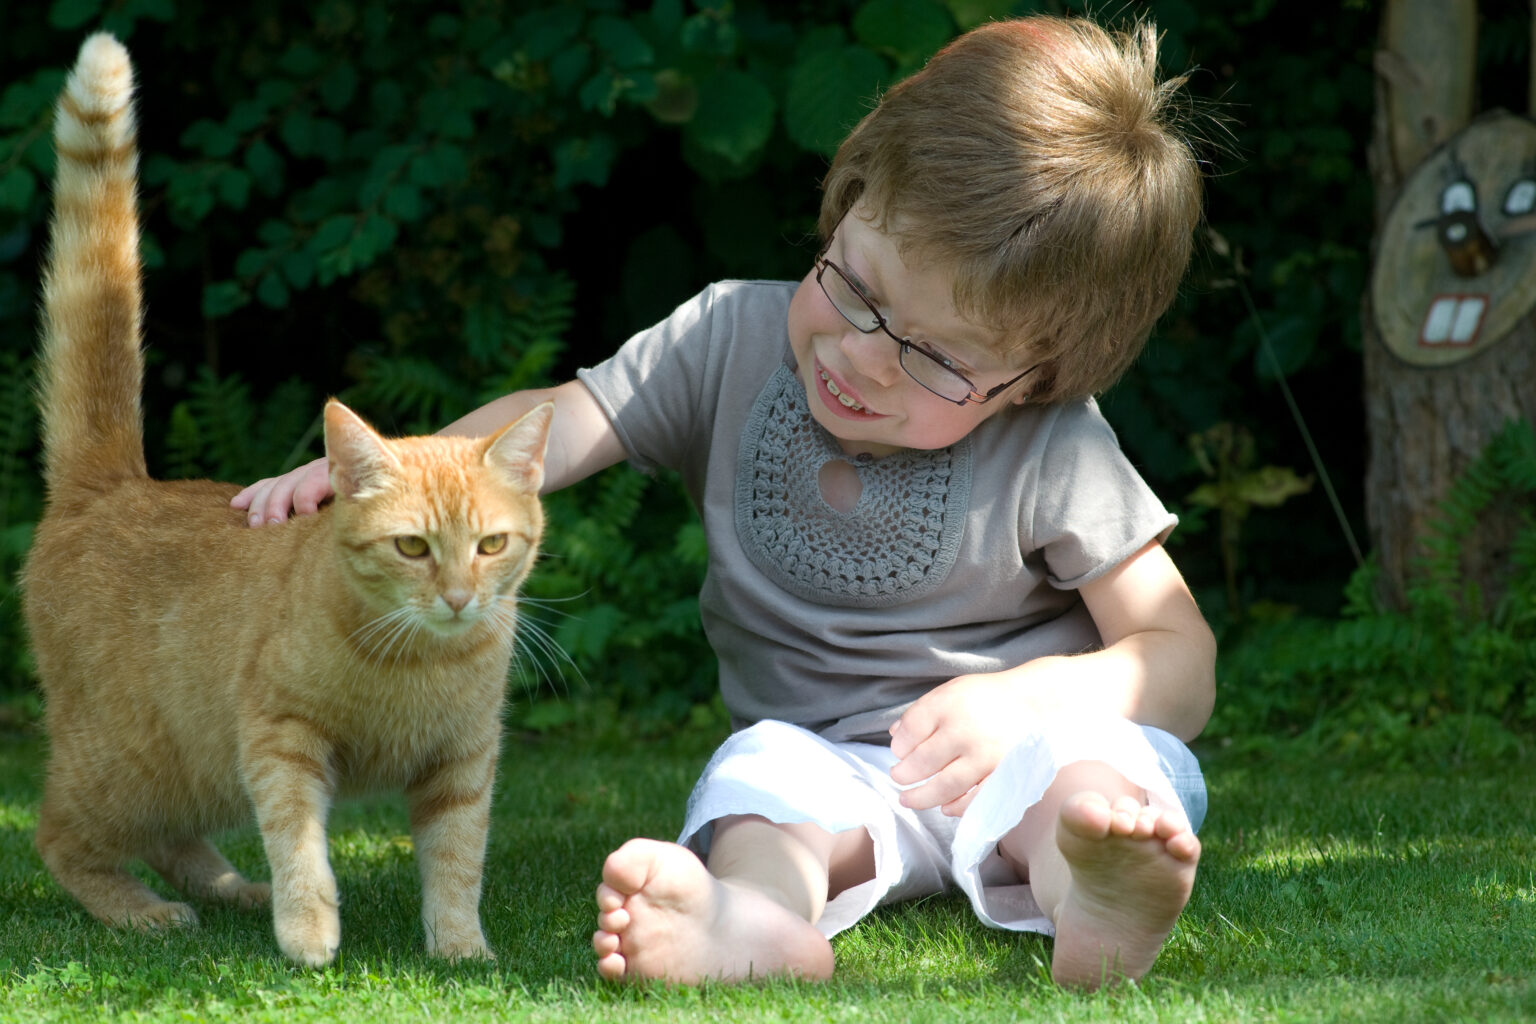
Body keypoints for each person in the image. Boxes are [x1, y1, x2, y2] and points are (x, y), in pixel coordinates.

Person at [234, 12, 1217, 990]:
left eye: (935, 357)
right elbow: (568, 418)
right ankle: (750, 921)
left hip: (1016, 760)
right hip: (829, 773)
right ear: (847, 207)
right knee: (758, 783)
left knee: (1089, 772)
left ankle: (1089, 883)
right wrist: (407, 469)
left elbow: (1179, 655)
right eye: (858, 290)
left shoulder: (1053, 442)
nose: (863, 359)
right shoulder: (728, 340)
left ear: (1033, 377)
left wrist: (1034, 698)